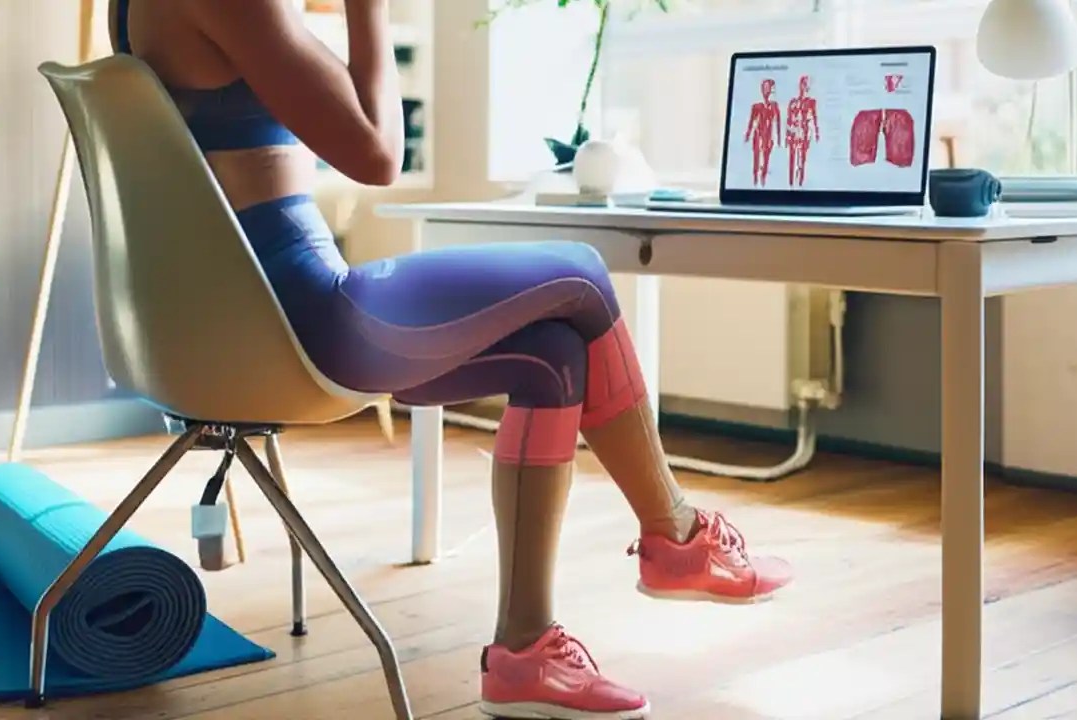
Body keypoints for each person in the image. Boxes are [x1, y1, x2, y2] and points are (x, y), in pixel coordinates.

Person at [108, 1, 793, 717]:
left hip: (247, 317)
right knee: (582, 274)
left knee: (553, 354)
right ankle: (677, 534)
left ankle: (524, 651)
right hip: (301, 317)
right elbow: (377, 154)